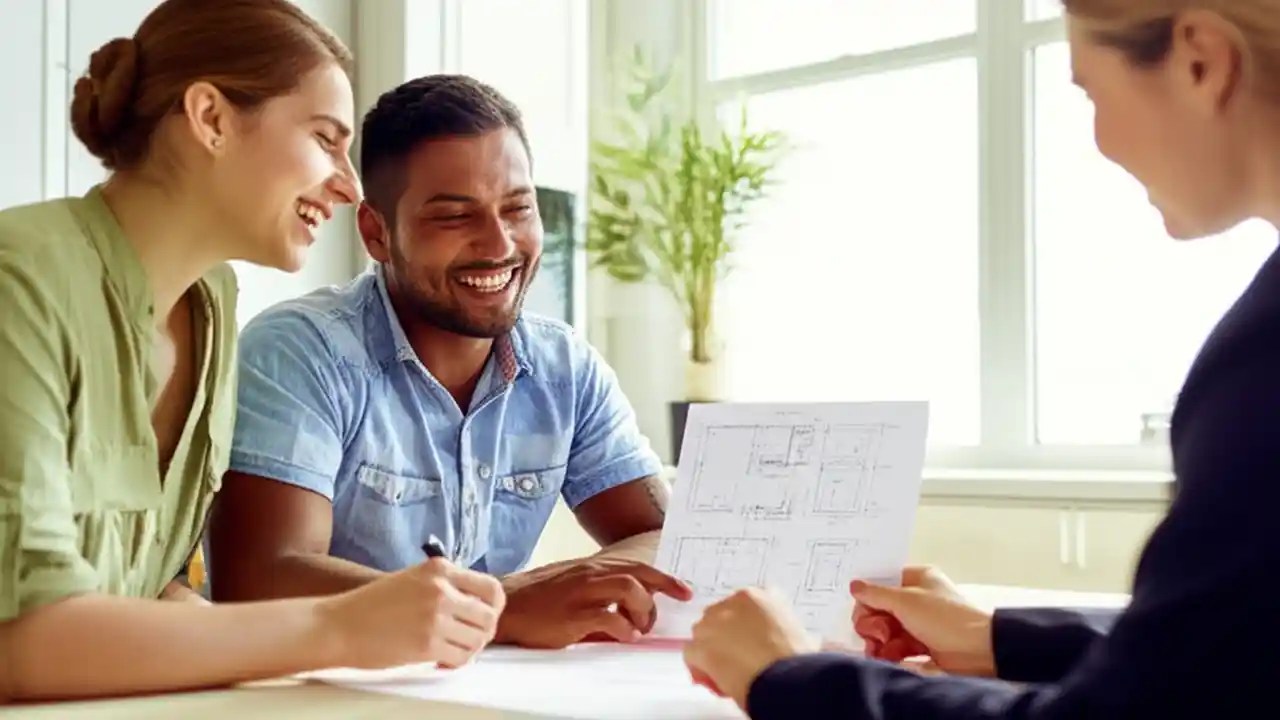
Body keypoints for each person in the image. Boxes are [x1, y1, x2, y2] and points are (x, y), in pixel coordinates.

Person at [682, 1, 1280, 717]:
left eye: (1089, 90)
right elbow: (1222, 657)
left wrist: (786, 676)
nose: (1098, 137)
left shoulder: (1263, 358)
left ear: (1199, 62)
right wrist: (998, 637)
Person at [0, 0, 505, 703]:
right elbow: (21, 642)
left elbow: (152, 589)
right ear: (210, 118)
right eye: (326, 139)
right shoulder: (19, 279)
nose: (350, 185)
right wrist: (339, 626)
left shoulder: (212, 303)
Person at [206, 74, 693, 649]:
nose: (499, 245)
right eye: (455, 217)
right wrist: (501, 606)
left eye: (517, 208)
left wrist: (537, 592)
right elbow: (259, 577)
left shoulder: (567, 369)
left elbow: (667, 536)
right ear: (376, 232)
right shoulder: (300, 352)